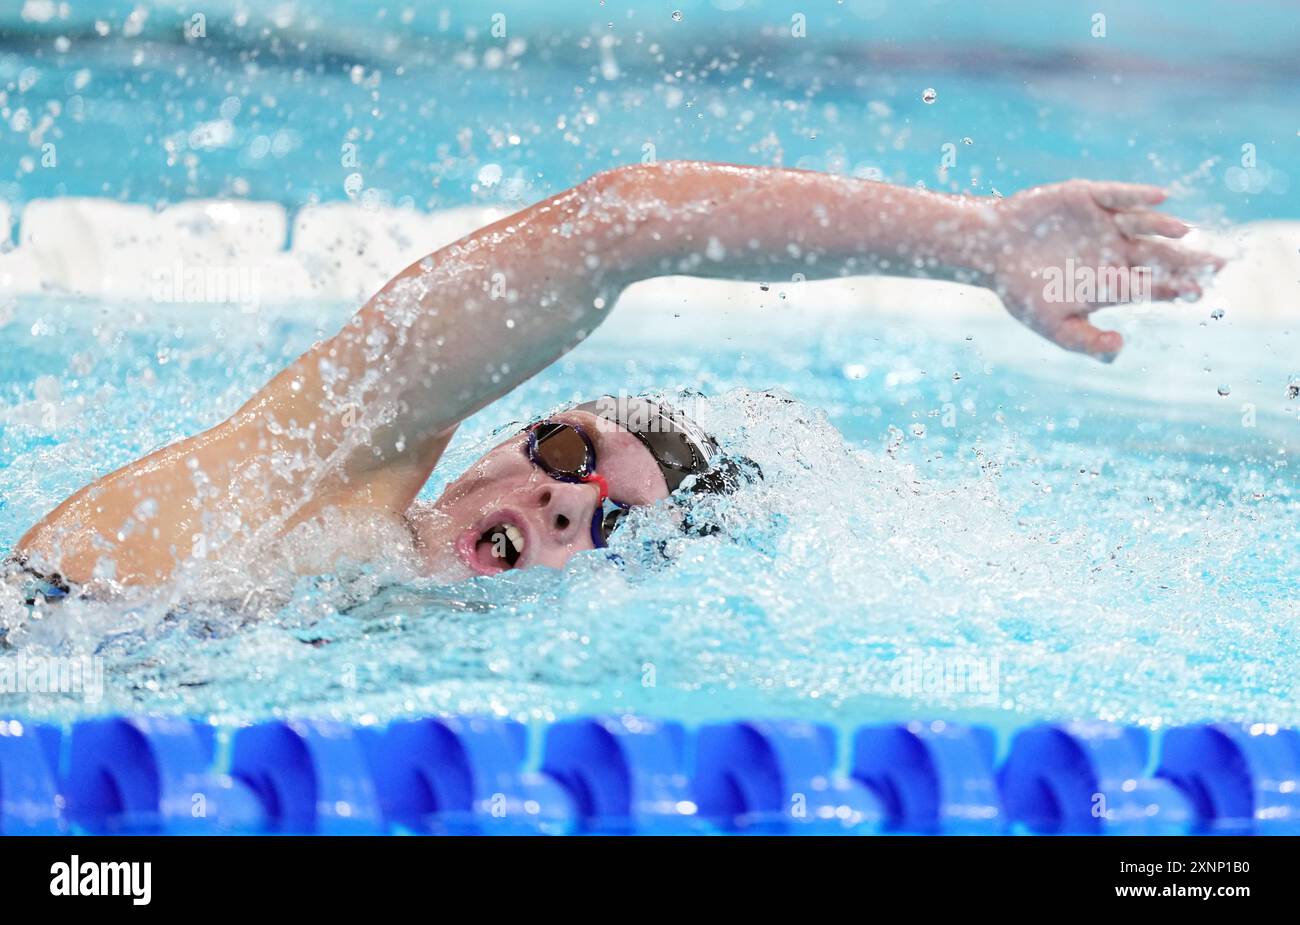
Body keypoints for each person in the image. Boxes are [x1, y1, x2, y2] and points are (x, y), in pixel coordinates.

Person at [10, 161, 1222, 591]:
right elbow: (617, 223)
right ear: (505, 432)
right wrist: (975, 240)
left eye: (605, 525)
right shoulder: (314, 471)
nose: (556, 502)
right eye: (569, 456)